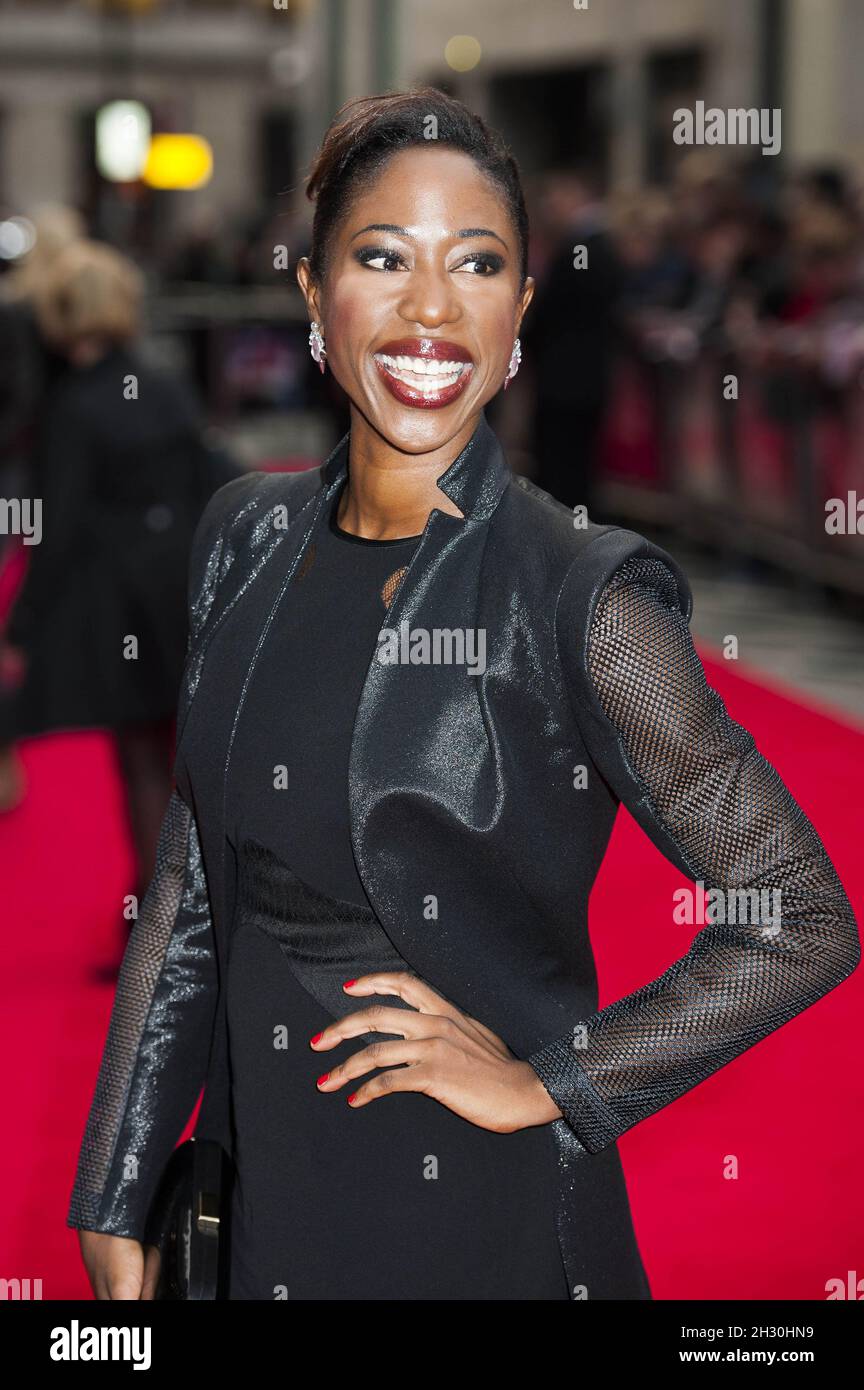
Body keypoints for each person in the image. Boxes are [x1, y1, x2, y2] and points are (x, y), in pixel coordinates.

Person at [68, 88, 859, 1302]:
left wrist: (556, 1080)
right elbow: (190, 874)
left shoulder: (583, 596)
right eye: (381, 257)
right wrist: (120, 1172)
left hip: (469, 1210)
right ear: (313, 293)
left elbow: (800, 913)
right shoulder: (245, 535)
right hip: (261, 1180)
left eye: (477, 265)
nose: (430, 306)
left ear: (521, 313)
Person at [4, 240, 241, 923]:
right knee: (189, 755)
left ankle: (157, 916)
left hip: (120, 602)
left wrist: (22, 625)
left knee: (140, 759)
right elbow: (213, 479)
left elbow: (59, 525)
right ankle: (204, 909)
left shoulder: (73, 407)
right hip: (188, 582)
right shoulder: (163, 382)